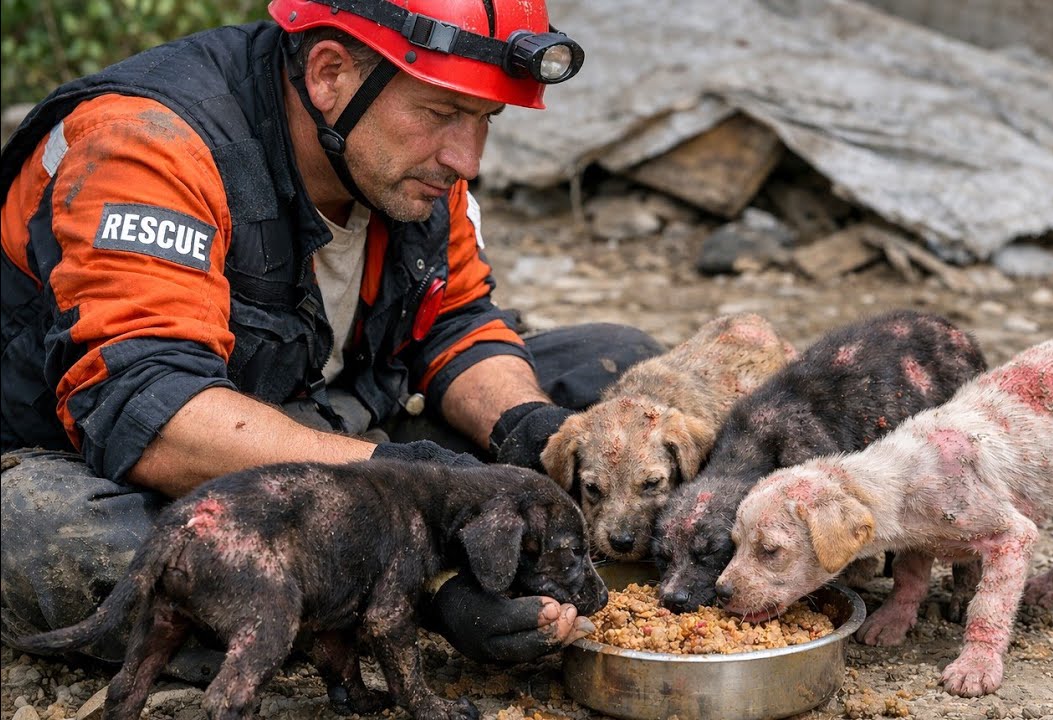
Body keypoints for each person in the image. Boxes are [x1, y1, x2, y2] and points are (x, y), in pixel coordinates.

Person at [0, 0, 662, 680]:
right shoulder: (148, 142)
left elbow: (457, 322)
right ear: (328, 73)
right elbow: (158, 417)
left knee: (619, 367)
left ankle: (418, 571)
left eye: (484, 120)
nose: (466, 158)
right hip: (127, 460)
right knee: (47, 534)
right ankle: (421, 593)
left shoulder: (413, 170)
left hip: (326, 414)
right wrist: (419, 495)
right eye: (441, 113)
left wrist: (537, 435)